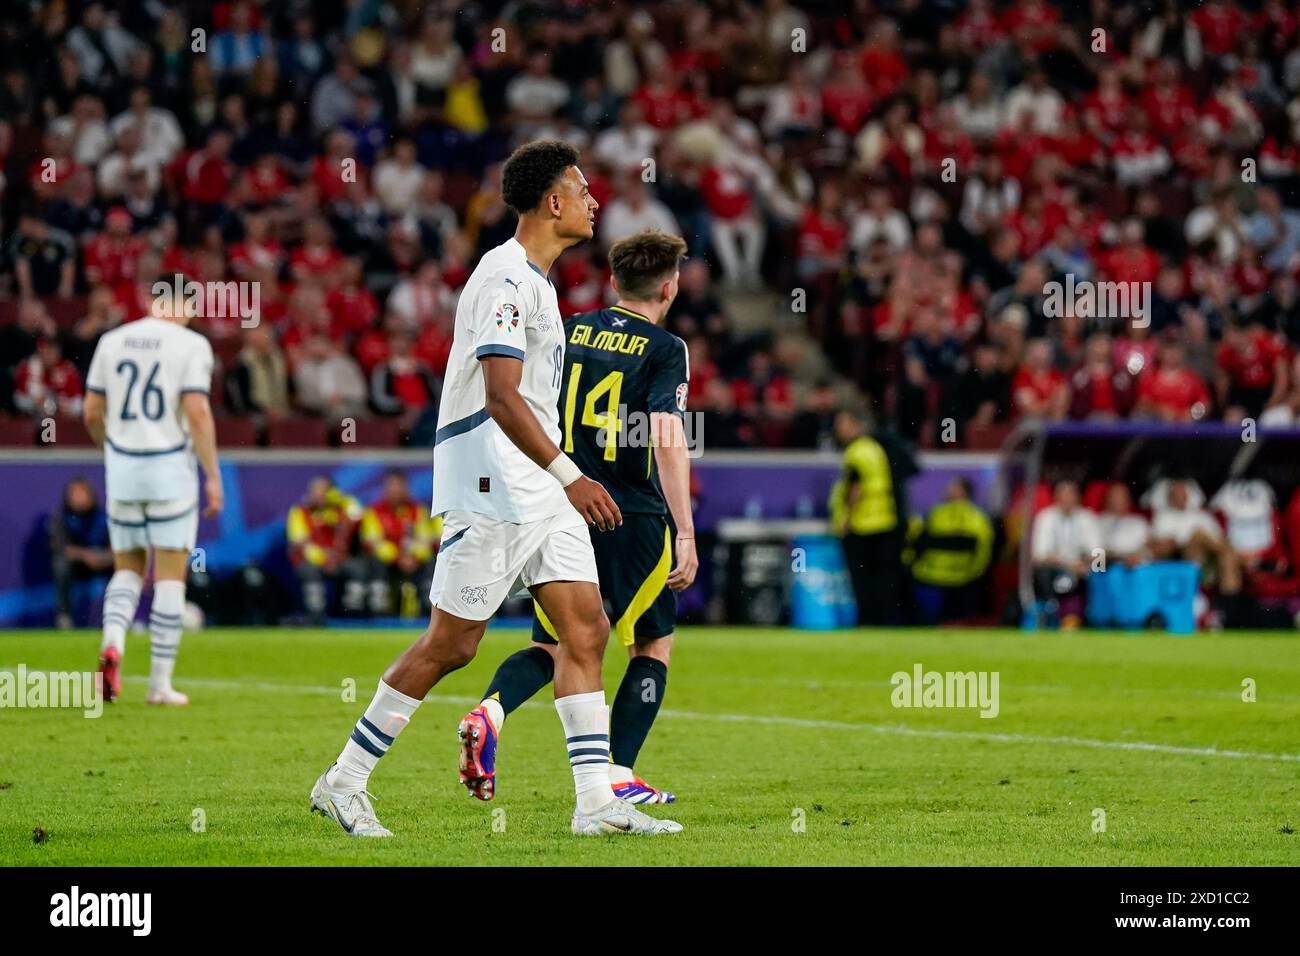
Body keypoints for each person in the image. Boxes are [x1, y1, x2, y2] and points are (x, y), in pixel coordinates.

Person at [309, 140, 681, 838]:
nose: (594, 200)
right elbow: (503, 397)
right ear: (553, 203)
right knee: (452, 644)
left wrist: (560, 479)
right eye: (582, 188)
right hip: (494, 480)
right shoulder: (505, 278)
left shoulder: (539, 285)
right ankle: (343, 780)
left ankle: (596, 801)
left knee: (585, 629)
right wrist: (574, 476)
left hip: (538, 484)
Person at [463, 228, 697, 806]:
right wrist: (685, 529)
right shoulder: (667, 349)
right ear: (669, 288)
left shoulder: (572, 327)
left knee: (554, 644)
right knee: (651, 645)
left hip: (562, 501)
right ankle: (618, 775)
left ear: (615, 281)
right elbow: (668, 438)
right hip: (632, 514)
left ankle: (491, 708)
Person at [83, 285, 223, 705]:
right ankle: (160, 684)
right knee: (169, 574)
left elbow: (91, 411)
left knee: (126, 567)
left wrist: (111, 449)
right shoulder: (192, 344)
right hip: (169, 472)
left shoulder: (111, 340)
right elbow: (197, 411)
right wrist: (212, 474)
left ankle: (113, 645)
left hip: (123, 469)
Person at [829, 410, 907, 625]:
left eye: (842, 424)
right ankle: (882, 621)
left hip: (863, 524)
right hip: (885, 520)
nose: (839, 430)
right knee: (882, 578)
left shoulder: (856, 451)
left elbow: (856, 486)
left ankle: (867, 621)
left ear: (855, 425)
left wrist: (846, 519)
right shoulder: (875, 449)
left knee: (862, 580)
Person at [908, 477, 993, 624]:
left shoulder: (935, 513)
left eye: (953, 486)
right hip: (963, 577)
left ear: (963, 491)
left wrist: (912, 566)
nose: (948, 489)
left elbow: (915, 541)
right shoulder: (978, 517)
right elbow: (984, 550)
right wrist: (976, 573)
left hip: (931, 575)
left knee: (932, 619)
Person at [359, 470, 441, 618]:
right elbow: (373, 542)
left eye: (399, 486)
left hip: (415, 562)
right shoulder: (374, 511)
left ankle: (428, 609)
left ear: (406, 488)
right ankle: (379, 613)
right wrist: (398, 557)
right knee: (376, 563)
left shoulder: (418, 510)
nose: (396, 490)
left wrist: (413, 557)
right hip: (388, 563)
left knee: (431, 562)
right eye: (392, 486)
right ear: (385, 489)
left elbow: (425, 539)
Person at [286, 476, 365, 623]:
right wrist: (325, 559)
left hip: (339, 561)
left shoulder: (342, 510)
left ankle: (351, 614)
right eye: (315, 490)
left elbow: (359, 515)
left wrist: (344, 499)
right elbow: (300, 543)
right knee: (308, 570)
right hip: (312, 561)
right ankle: (316, 615)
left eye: (323, 490)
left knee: (357, 568)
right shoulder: (299, 512)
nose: (318, 494)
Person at [1029, 480, 1101, 628]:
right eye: (1063, 494)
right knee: (1048, 574)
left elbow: (1099, 553)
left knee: (1099, 571)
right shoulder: (1045, 517)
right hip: (1055, 571)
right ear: (1055, 497)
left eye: (1071, 494)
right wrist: (1069, 566)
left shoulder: (1088, 518)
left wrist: (1087, 566)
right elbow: (1040, 555)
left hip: (1084, 570)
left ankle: (1087, 617)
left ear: (1078, 497)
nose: (1067, 498)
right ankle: (1051, 613)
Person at [48, 477, 113, 630]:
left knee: (124, 568)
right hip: (76, 565)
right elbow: (61, 548)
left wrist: (103, 559)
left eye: (82, 493)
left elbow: (118, 549)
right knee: (60, 564)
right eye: (74, 494)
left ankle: (117, 617)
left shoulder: (104, 517)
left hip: (103, 562)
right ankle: (64, 617)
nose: (79, 498)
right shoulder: (61, 518)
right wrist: (86, 555)